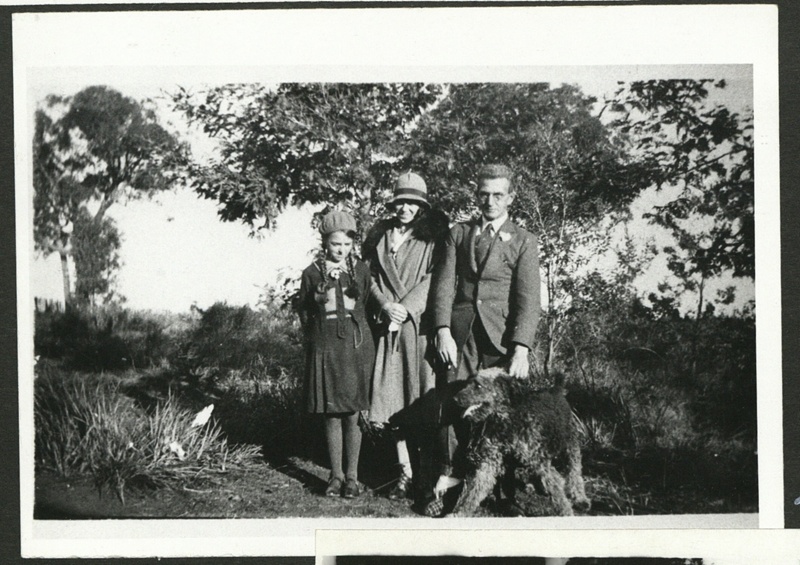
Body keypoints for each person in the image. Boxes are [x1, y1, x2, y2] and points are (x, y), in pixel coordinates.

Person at [429, 163, 542, 503]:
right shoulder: (459, 234)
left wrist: (521, 348)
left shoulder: (524, 240)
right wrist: (443, 330)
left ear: (511, 198)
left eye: (498, 195)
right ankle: (450, 484)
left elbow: (528, 299)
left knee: (501, 414)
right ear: (476, 195)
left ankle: (503, 491)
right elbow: (443, 286)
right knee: (453, 404)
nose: (490, 201)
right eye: (484, 194)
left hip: (501, 340)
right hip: (460, 337)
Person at [363, 171, 449, 501]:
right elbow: (369, 277)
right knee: (392, 403)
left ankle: (426, 475)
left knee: (419, 400)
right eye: (400, 202)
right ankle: (404, 472)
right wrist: (385, 305)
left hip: (417, 329)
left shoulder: (432, 240)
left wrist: (406, 307)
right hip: (387, 328)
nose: (405, 208)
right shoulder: (380, 237)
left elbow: (435, 279)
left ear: (421, 207)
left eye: (412, 203)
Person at [297, 210, 376, 499]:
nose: (341, 250)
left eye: (347, 244)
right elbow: (305, 312)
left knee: (352, 412)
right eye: (335, 244)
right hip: (326, 346)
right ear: (325, 243)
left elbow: (366, 305)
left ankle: (352, 477)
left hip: (355, 346)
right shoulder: (311, 273)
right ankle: (335, 476)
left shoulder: (362, 271)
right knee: (331, 413)